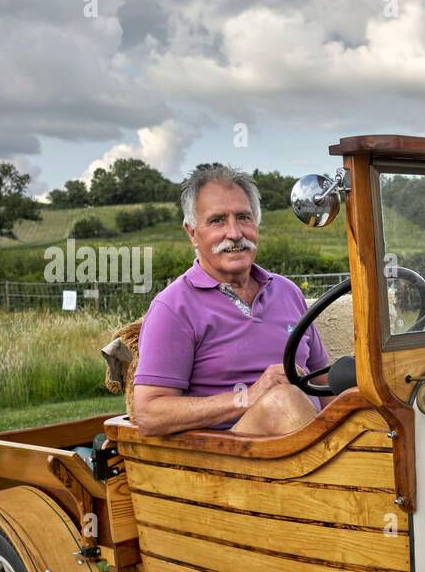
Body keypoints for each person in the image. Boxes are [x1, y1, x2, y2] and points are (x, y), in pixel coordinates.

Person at [132, 164, 328, 436]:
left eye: (244, 218)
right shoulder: (174, 307)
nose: (235, 233)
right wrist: (248, 396)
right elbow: (149, 413)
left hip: (317, 443)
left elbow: (324, 381)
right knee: (283, 402)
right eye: (217, 221)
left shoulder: (287, 291)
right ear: (192, 233)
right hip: (235, 462)